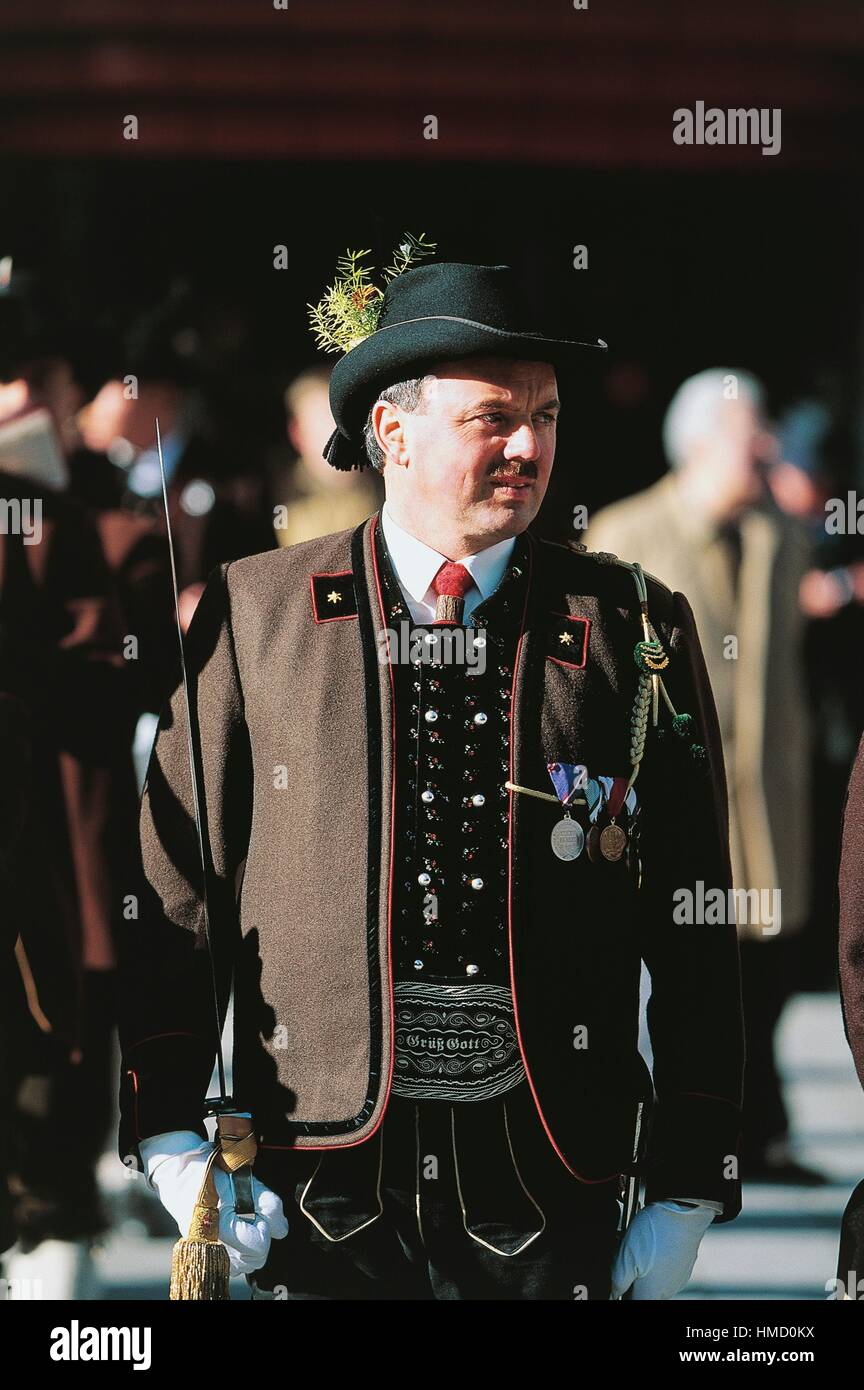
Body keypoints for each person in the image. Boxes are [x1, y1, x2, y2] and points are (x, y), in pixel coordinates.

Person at [119, 259, 744, 1301]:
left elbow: (693, 921)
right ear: (393, 432)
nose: (531, 446)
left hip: (552, 1173)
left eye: (545, 415)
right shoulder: (257, 611)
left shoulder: (634, 625)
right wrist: (171, 1131)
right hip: (315, 1176)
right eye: (494, 418)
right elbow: (176, 892)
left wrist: (689, 1182)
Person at [586, 368, 821, 1184]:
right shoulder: (629, 534)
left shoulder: (780, 536)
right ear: (696, 448)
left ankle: (758, 1126)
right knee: (685, 961)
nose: (764, 447)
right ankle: (697, 1132)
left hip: (768, 798)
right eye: (747, 432)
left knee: (769, 964)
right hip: (677, 800)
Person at [272, 364, 383, 548]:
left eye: (342, 416)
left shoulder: (384, 477)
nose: (336, 429)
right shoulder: (287, 500)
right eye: (323, 419)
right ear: (297, 433)